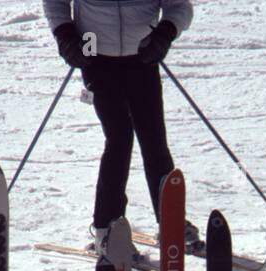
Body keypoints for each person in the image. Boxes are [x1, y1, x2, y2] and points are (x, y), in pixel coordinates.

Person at [43, 0, 195, 250]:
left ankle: (171, 222)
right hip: (93, 51)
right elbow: (54, 2)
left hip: (142, 53)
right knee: (119, 138)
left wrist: (164, 34)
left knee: (153, 138)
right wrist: (66, 36)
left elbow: (180, 6)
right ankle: (107, 227)